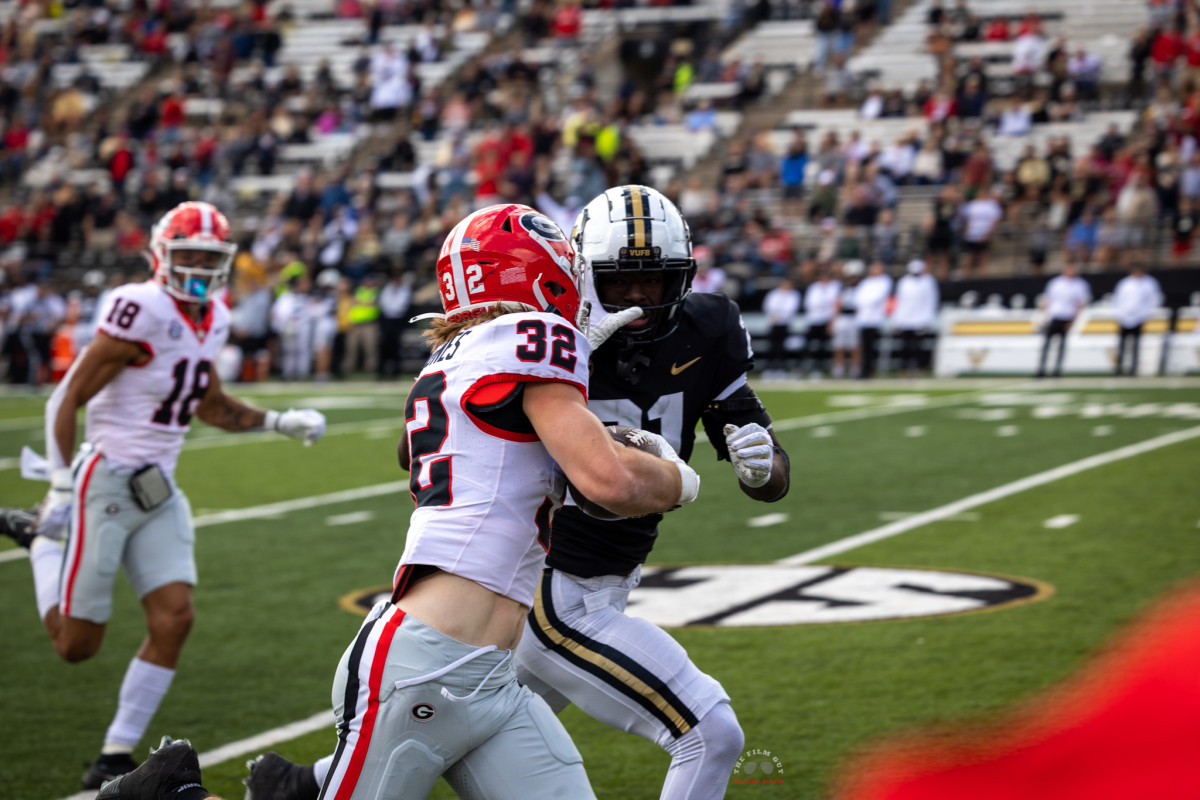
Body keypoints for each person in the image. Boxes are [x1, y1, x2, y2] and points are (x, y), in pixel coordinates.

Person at [244, 187, 787, 800]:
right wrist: (677, 476)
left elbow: (425, 441)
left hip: (501, 620)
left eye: (656, 281)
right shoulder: (541, 337)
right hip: (537, 597)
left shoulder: (491, 345)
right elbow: (608, 480)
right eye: (618, 281)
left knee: (461, 732)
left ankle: (297, 784)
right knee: (710, 731)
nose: (637, 298)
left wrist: (763, 469)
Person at [0, 202, 328, 790]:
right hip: (103, 480)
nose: (200, 266)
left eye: (210, 256)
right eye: (189, 255)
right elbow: (64, 398)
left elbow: (211, 405)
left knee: (174, 617)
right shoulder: (141, 306)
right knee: (77, 645)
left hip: (159, 487)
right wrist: (60, 485)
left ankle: (116, 753)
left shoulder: (215, 316)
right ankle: (39, 542)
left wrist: (280, 421)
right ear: (161, 255)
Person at [1035, 264, 1092, 378]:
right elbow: (1047, 300)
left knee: (1061, 346)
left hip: (1067, 317)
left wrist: (1073, 320)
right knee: (1046, 345)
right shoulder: (1055, 283)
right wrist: (1043, 317)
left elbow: (1080, 304)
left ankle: (1057, 370)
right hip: (1053, 316)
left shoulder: (1080, 284)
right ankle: (1041, 369)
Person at [891, 259, 941, 377]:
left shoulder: (928, 281)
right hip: (905, 319)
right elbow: (899, 301)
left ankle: (918, 369)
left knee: (918, 346)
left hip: (920, 319)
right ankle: (903, 369)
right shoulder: (904, 282)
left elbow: (931, 301)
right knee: (905, 346)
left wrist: (928, 319)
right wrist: (896, 319)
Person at [1112, 265, 1163, 377]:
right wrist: (1119, 314)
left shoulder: (1149, 283)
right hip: (1124, 317)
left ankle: (1133, 369)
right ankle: (1118, 369)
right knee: (1121, 345)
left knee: (1136, 345)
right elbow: (1117, 299)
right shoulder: (1124, 283)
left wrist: (1147, 314)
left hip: (1140, 317)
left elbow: (1154, 299)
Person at [854, 260, 894, 379]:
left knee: (872, 346)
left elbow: (878, 297)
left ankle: (869, 370)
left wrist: (866, 302)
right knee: (863, 346)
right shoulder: (865, 282)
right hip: (863, 318)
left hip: (875, 319)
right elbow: (858, 299)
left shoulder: (885, 281)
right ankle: (863, 369)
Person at [802, 265, 842, 378]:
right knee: (810, 345)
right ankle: (805, 368)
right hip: (814, 319)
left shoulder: (834, 286)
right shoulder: (814, 287)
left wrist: (832, 321)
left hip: (827, 320)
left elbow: (835, 303)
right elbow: (809, 303)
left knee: (823, 346)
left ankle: (820, 369)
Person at [761, 276, 802, 378]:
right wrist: (772, 316)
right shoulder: (773, 294)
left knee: (782, 347)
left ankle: (781, 369)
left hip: (785, 324)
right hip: (773, 323)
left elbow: (791, 308)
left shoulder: (793, 294)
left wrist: (780, 317)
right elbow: (767, 306)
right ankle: (769, 369)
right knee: (772, 346)